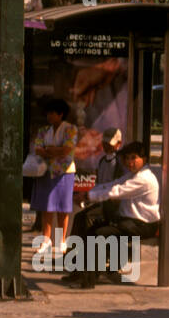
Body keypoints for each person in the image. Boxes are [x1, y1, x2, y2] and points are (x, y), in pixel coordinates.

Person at [66, 141, 161, 287]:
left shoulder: (144, 179)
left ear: (144, 159)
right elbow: (112, 184)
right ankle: (79, 271)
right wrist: (88, 193)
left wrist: (87, 196)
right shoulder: (133, 175)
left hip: (142, 225)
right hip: (128, 222)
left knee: (98, 234)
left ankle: (89, 280)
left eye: (133, 158)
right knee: (87, 225)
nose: (129, 162)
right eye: (127, 158)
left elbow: (116, 192)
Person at [30, 98, 77, 255]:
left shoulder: (70, 129)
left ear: (60, 114)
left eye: (52, 113)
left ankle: (62, 240)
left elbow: (67, 150)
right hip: (46, 171)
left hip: (65, 172)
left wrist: (49, 150)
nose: (49, 116)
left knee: (63, 208)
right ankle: (46, 240)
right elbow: (38, 149)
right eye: (48, 113)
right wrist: (56, 150)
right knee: (47, 207)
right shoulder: (44, 130)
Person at [69, 128, 124, 241]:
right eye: (104, 143)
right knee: (79, 217)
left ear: (118, 144)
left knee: (87, 218)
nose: (106, 146)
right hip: (101, 201)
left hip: (112, 205)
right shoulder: (102, 161)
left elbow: (115, 188)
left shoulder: (119, 163)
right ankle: (74, 253)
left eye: (109, 144)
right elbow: (99, 183)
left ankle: (83, 252)